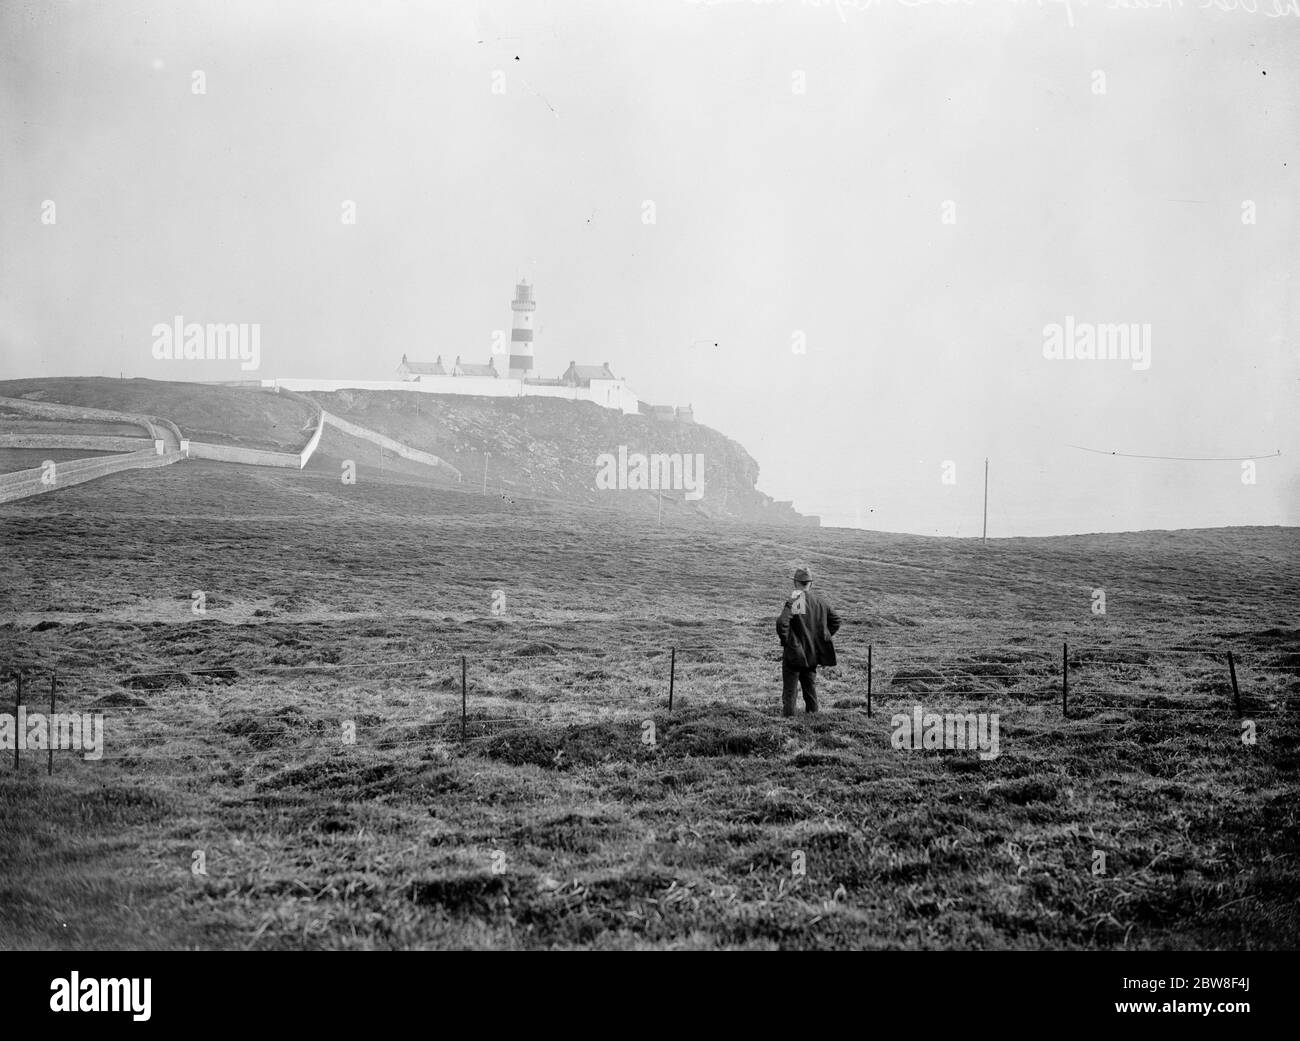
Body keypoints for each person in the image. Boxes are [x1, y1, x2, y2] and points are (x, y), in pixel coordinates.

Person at [775, 566, 841, 717]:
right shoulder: (820, 602)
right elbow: (836, 621)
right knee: (810, 693)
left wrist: (787, 641)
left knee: (790, 694)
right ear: (810, 583)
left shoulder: (797, 600)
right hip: (812, 654)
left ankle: (789, 725)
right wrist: (822, 638)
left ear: (796, 583)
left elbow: (781, 623)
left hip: (794, 655)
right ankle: (814, 722)